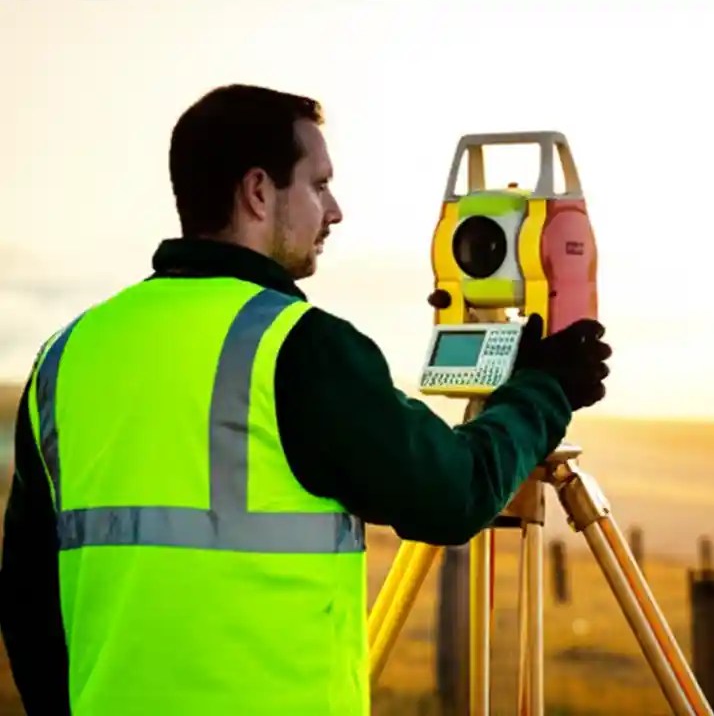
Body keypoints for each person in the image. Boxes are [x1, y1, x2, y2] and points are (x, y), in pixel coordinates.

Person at [0, 83, 612, 715]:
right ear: (258, 191)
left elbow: (26, 600)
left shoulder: (66, 355)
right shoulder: (299, 348)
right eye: (318, 185)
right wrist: (543, 388)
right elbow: (454, 494)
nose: (336, 210)